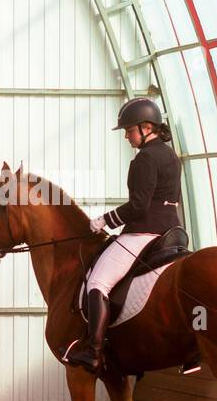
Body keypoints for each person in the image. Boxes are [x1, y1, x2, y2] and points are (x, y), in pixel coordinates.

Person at [61, 97, 182, 375]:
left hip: (144, 231)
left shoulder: (146, 158)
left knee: (97, 282)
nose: (127, 136)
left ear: (147, 127)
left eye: (129, 130)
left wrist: (105, 220)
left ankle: (92, 350)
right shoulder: (170, 156)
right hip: (172, 230)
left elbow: (138, 206)